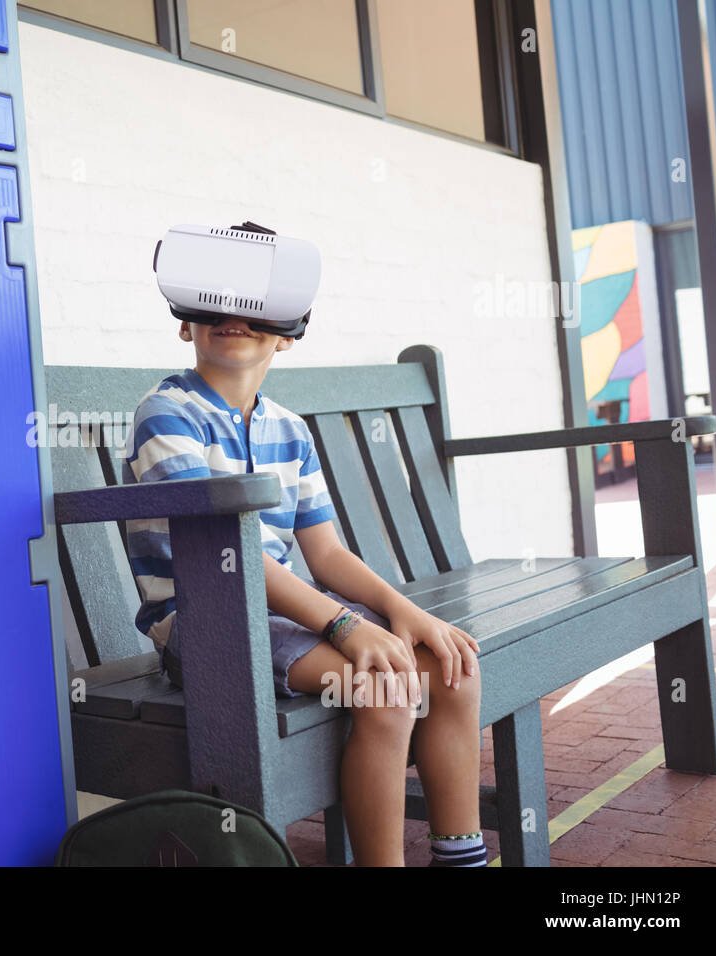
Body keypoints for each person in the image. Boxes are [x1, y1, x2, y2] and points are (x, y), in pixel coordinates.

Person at [121, 270, 485, 867]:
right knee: (387, 688)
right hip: (206, 624)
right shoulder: (167, 414)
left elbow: (327, 554)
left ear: (287, 334)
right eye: (214, 306)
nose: (233, 317)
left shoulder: (289, 429)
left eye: (257, 309)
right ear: (185, 321)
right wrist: (345, 627)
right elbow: (227, 557)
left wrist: (403, 613)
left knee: (453, 668)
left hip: (286, 615)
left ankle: (460, 858)